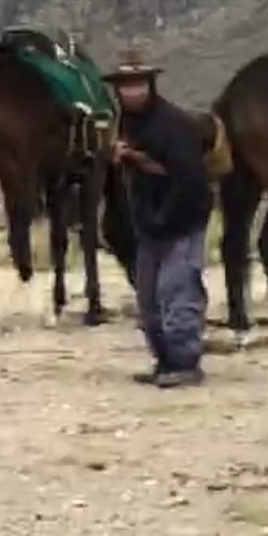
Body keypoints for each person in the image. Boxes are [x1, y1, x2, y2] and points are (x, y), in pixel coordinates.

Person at [105, 47, 213, 388]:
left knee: (177, 292)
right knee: (149, 300)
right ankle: (165, 360)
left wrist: (166, 218)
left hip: (180, 223)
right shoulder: (126, 125)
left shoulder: (173, 125)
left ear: (150, 85)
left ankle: (185, 362)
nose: (132, 91)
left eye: (138, 84)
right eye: (126, 85)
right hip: (149, 227)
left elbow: (191, 179)